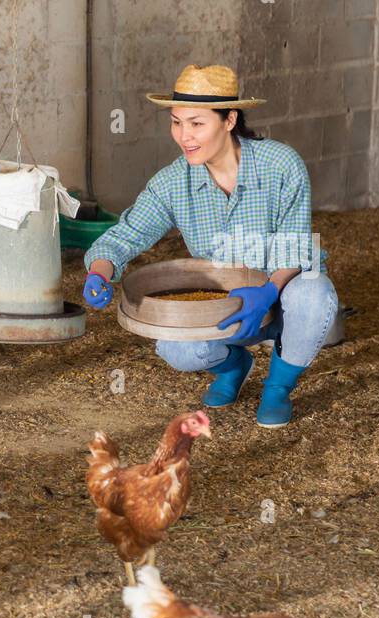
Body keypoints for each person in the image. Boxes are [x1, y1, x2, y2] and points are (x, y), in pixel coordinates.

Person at [82, 64, 336, 428]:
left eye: (196, 123)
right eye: (176, 122)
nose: (184, 135)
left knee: (315, 293)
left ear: (229, 119)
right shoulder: (172, 182)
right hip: (224, 301)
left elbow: (294, 245)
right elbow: (127, 234)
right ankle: (234, 367)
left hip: (282, 293)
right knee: (175, 347)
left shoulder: (281, 164)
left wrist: (268, 291)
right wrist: (99, 271)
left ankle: (278, 388)